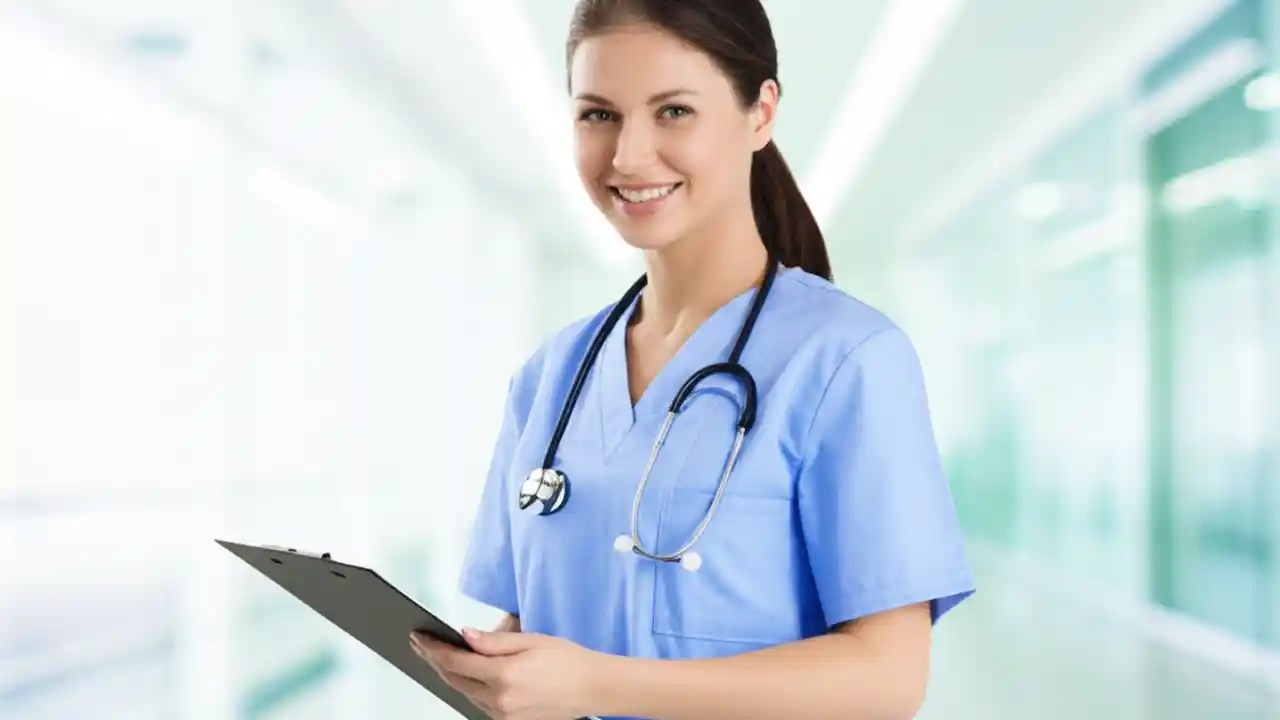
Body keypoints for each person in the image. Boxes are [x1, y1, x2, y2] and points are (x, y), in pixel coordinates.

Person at [410, 1, 975, 718]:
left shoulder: (846, 360)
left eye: (673, 111)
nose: (628, 155)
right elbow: (540, 625)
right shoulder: (551, 376)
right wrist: (497, 671)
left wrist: (597, 683)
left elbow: (888, 680)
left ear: (761, 113)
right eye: (598, 114)